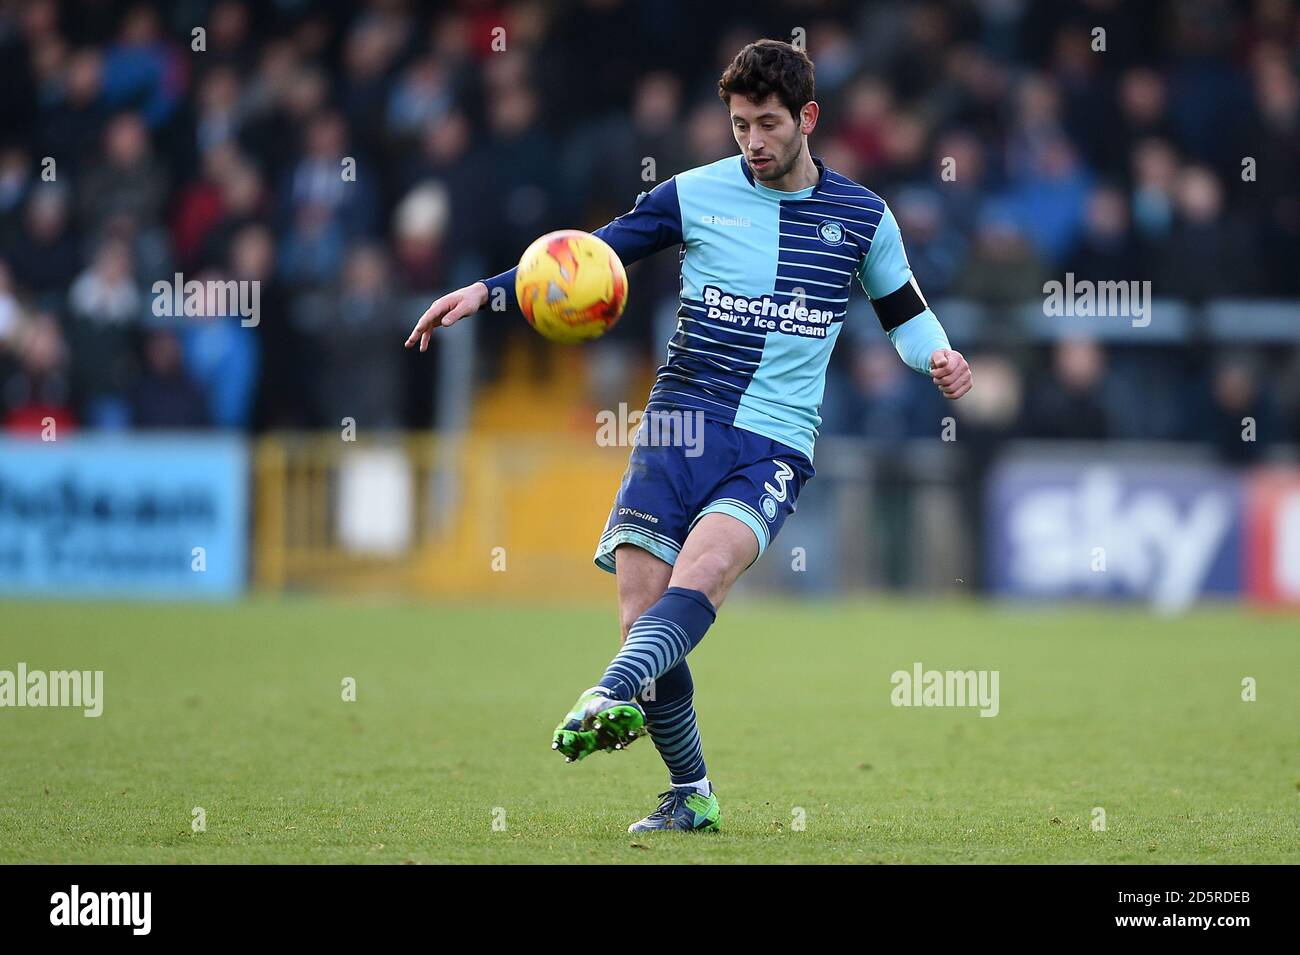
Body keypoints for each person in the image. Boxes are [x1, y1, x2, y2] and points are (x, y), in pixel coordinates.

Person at [405, 40, 972, 833]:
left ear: (808, 118)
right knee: (643, 610)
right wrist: (488, 292)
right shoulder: (693, 193)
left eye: (769, 124)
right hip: (677, 424)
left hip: (773, 442)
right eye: (740, 124)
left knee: (700, 576)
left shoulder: (862, 217)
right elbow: (591, 256)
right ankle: (690, 792)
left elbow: (906, 314)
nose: (753, 142)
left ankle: (608, 691)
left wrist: (938, 357)